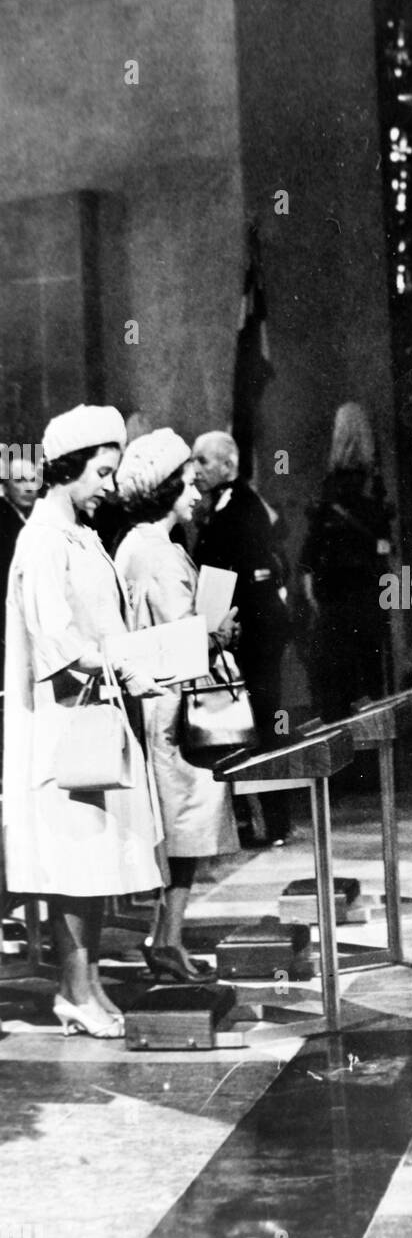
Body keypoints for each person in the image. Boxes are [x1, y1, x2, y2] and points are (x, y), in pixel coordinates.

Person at [3, 405, 166, 1039]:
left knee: (96, 861)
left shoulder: (80, 532)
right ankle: (73, 990)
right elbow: (56, 644)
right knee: (74, 863)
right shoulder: (42, 538)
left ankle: (88, 981)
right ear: (68, 468)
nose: (109, 483)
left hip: (93, 716)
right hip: (64, 727)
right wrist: (122, 660)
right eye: (101, 471)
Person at [114, 429, 240, 983]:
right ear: (164, 488)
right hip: (176, 709)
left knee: (178, 829)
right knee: (185, 828)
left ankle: (166, 937)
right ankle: (167, 939)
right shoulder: (161, 554)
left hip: (156, 706)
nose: (196, 493)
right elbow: (178, 637)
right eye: (186, 484)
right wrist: (217, 633)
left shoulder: (132, 545)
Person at [191, 431, 292, 845]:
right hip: (256, 628)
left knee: (259, 723)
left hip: (253, 632)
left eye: (203, 461)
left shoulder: (236, 507)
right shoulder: (234, 503)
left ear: (227, 466)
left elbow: (219, 570)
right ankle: (267, 819)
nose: (196, 470)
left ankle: (271, 820)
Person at [299, 403, 393, 724]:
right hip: (367, 605)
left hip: (334, 610)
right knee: (371, 689)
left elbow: (309, 567)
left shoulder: (326, 498)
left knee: (337, 700)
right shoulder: (373, 494)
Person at [0, 458, 39, 667]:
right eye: (20, 480)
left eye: (33, 480)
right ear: (5, 485)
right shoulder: (3, 519)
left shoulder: (38, 518)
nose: (29, 487)